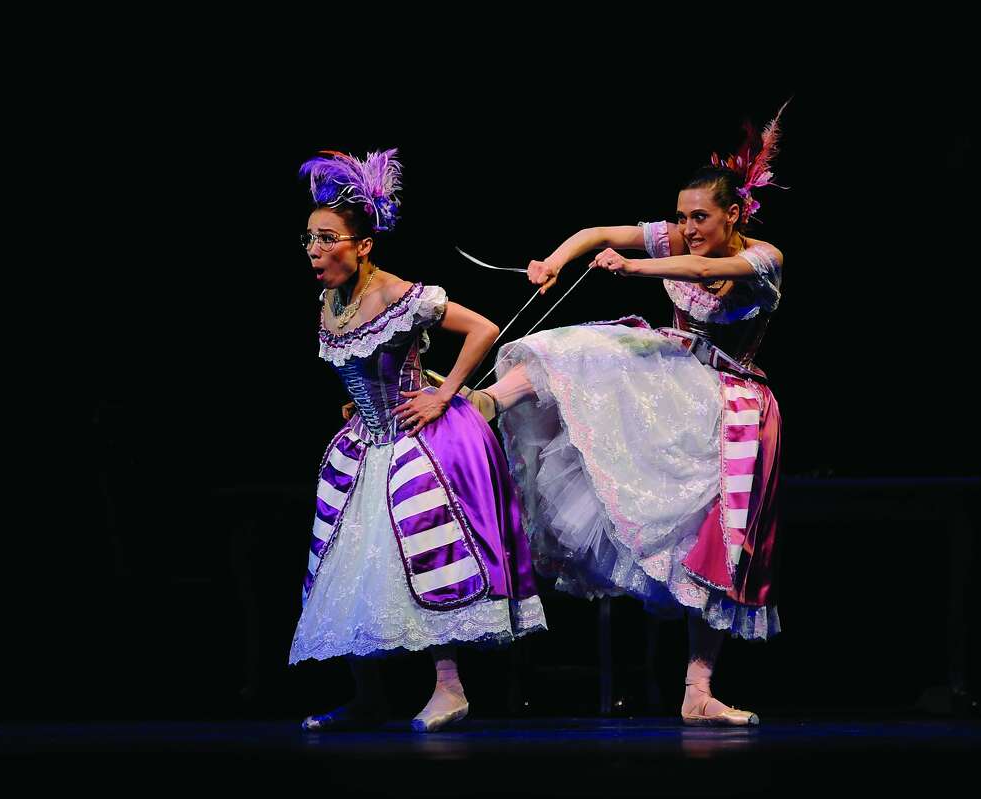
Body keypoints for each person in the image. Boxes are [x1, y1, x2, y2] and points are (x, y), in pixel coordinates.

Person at [470, 114, 787, 725]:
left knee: (716, 544)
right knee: (586, 348)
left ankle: (698, 690)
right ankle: (488, 402)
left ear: (733, 217)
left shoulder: (765, 258)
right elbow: (594, 232)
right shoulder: (677, 238)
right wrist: (553, 262)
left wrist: (633, 267)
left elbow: (703, 274)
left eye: (700, 217)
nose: (687, 229)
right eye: (682, 216)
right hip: (674, 374)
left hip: (730, 401)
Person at [289, 149, 546, 732]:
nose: (314, 250)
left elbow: (483, 328)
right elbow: (357, 359)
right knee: (351, 560)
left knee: (425, 553)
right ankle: (367, 695)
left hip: (414, 440)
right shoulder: (330, 298)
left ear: (363, 246)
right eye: (308, 239)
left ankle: (449, 689)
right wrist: (360, 396)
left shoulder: (399, 295)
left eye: (327, 239)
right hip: (364, 443)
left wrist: (443, 394)